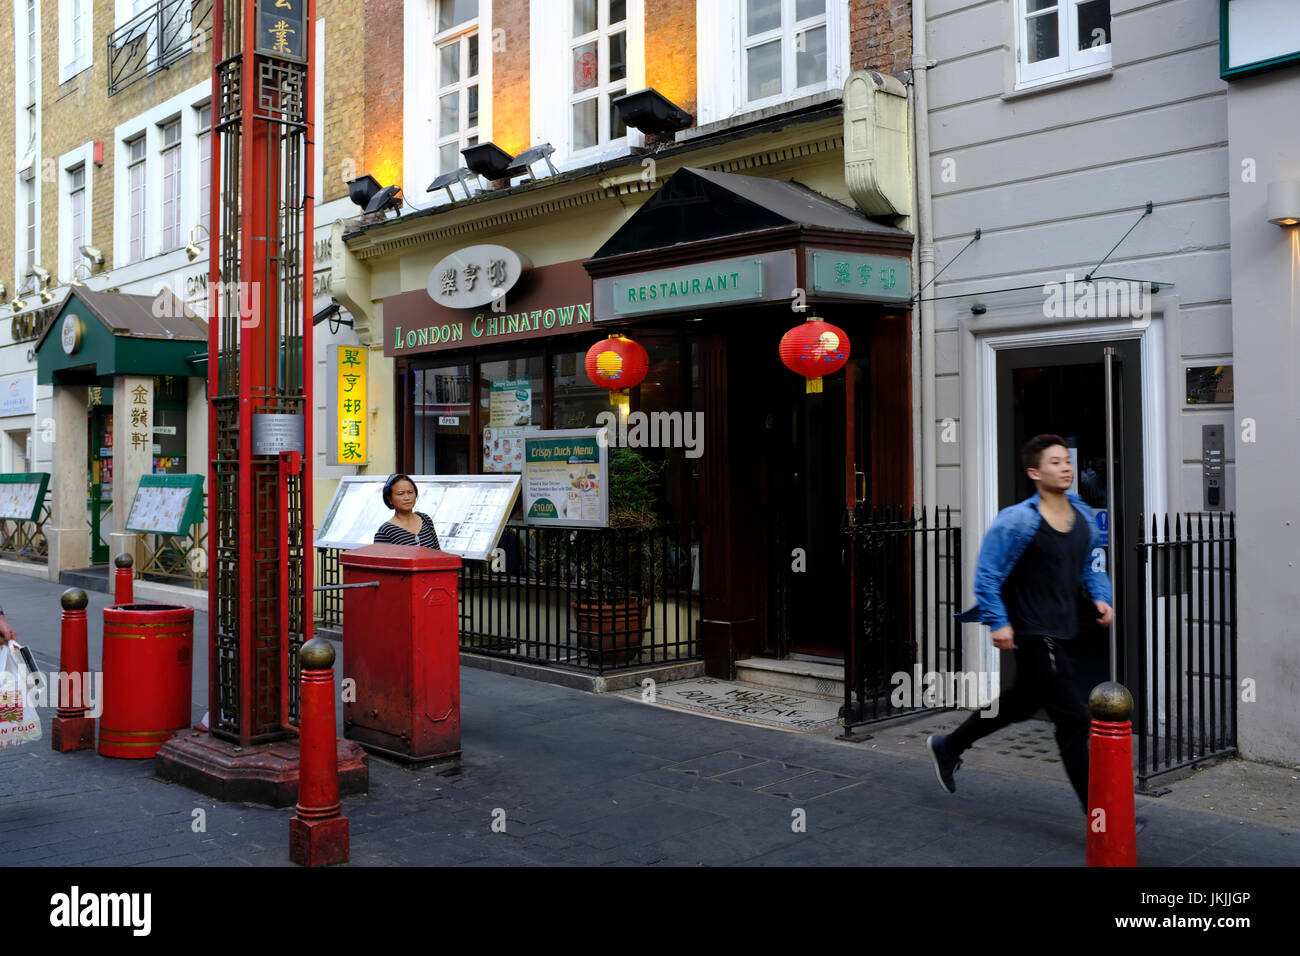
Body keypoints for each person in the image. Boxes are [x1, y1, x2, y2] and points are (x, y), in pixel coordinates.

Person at [927, 434, 1113, 811]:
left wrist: (1101, 595)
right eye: (1055, 462)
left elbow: (1091, 564)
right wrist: (998, 622)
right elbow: (988, 574)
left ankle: (948, 747)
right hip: (1033, 630)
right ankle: (1101, 814)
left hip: (1063, 630)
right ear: (1034, 472)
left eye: (1066, 460)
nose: (1065, 467)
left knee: (1018, 705)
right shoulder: (1017, 520)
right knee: (1074, 720)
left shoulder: (1083, 517)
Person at [373, 474, 441, 549]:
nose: (407, 498)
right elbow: (380, 560)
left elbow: (438, 553)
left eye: (410, 492)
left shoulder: (425, 519)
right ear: (390, 499)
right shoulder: (385, 532)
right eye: (400, 494)